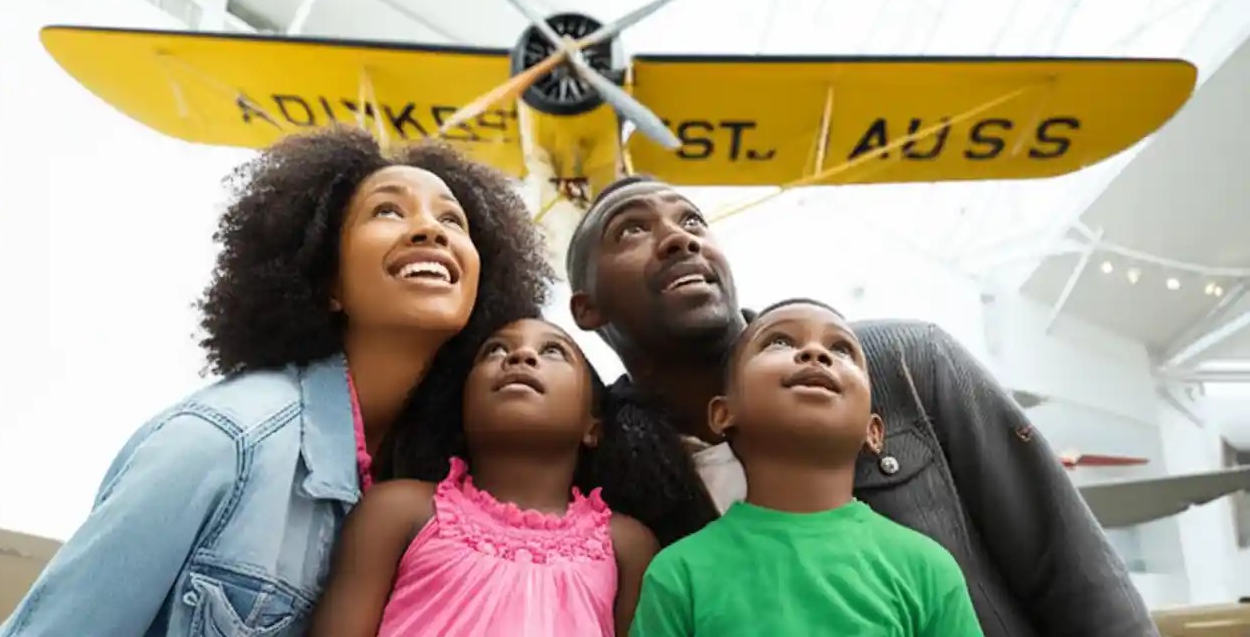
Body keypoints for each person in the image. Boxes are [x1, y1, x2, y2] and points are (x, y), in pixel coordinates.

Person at [0, 126, 553, 637]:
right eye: (387, 211)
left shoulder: (433, 486)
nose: (430, 229)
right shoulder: (220, 443)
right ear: (326, 279)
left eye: (452, 220)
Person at [566, 175, 1158, 637]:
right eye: (631, 231)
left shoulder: (906, 362)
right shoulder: (597, 462)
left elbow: (1072, 572)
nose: (679, 237)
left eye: (693, 219)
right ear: (586, 309)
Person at [630, 299, 984, 636]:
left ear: (873, 431)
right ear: (723, 415)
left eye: (842, 350)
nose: (816, 353)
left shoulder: (927, 569)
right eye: (779, 342)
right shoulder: (678, 575)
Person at [308, 318, 658, 637]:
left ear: (593, 426)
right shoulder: (397, 510)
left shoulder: (626, 546)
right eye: (495, 350)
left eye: (553, 351)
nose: (520, 356)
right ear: (462, 407)